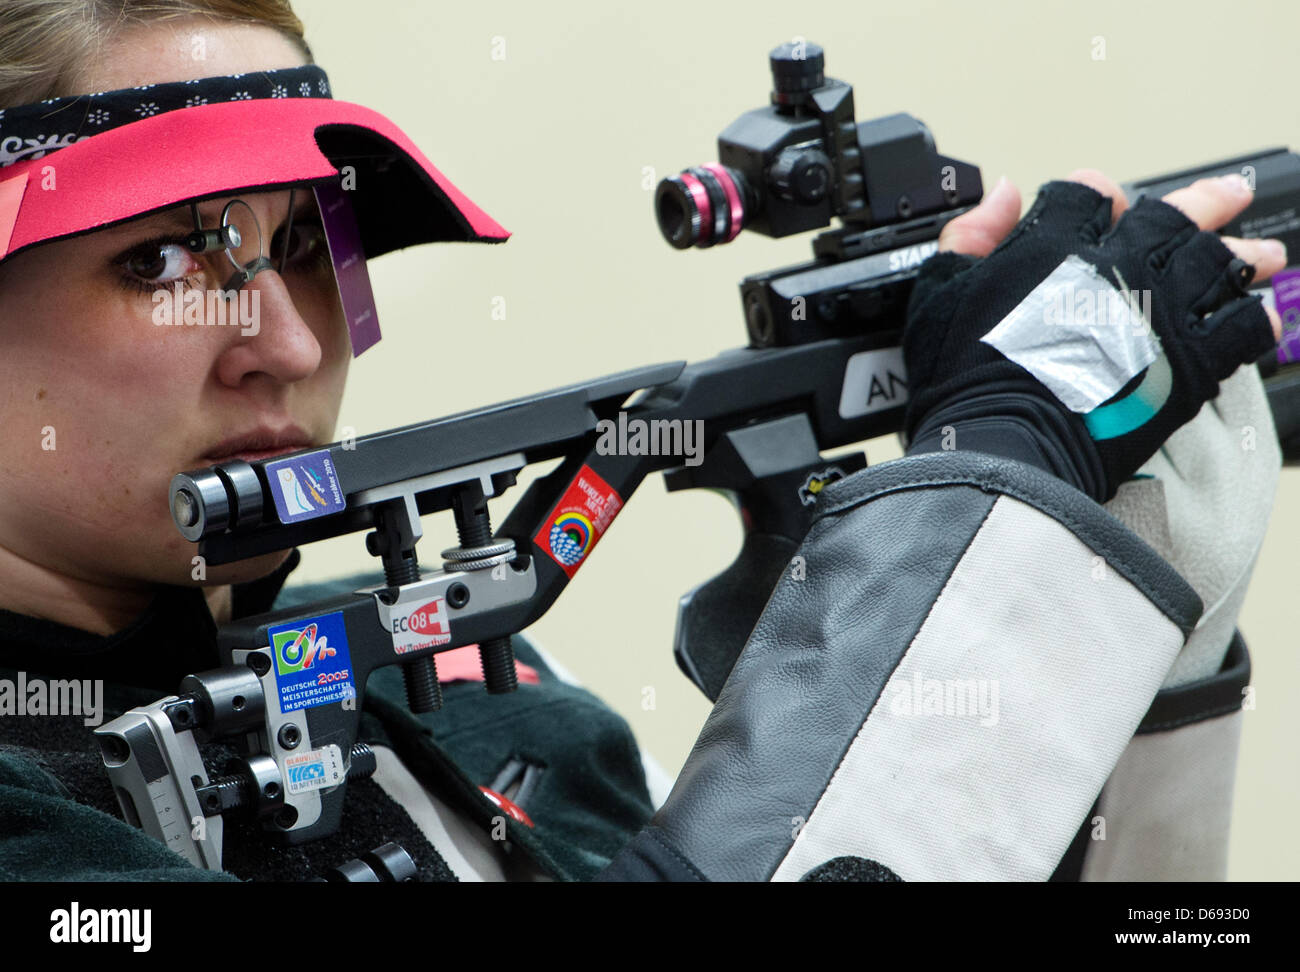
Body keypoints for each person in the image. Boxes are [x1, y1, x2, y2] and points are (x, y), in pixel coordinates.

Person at [0, 0, 1286, 882]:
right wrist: (987, 502)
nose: (281, 341)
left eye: (302, 246)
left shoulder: (464, 706)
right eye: (166, 260)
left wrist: (1130, 656)